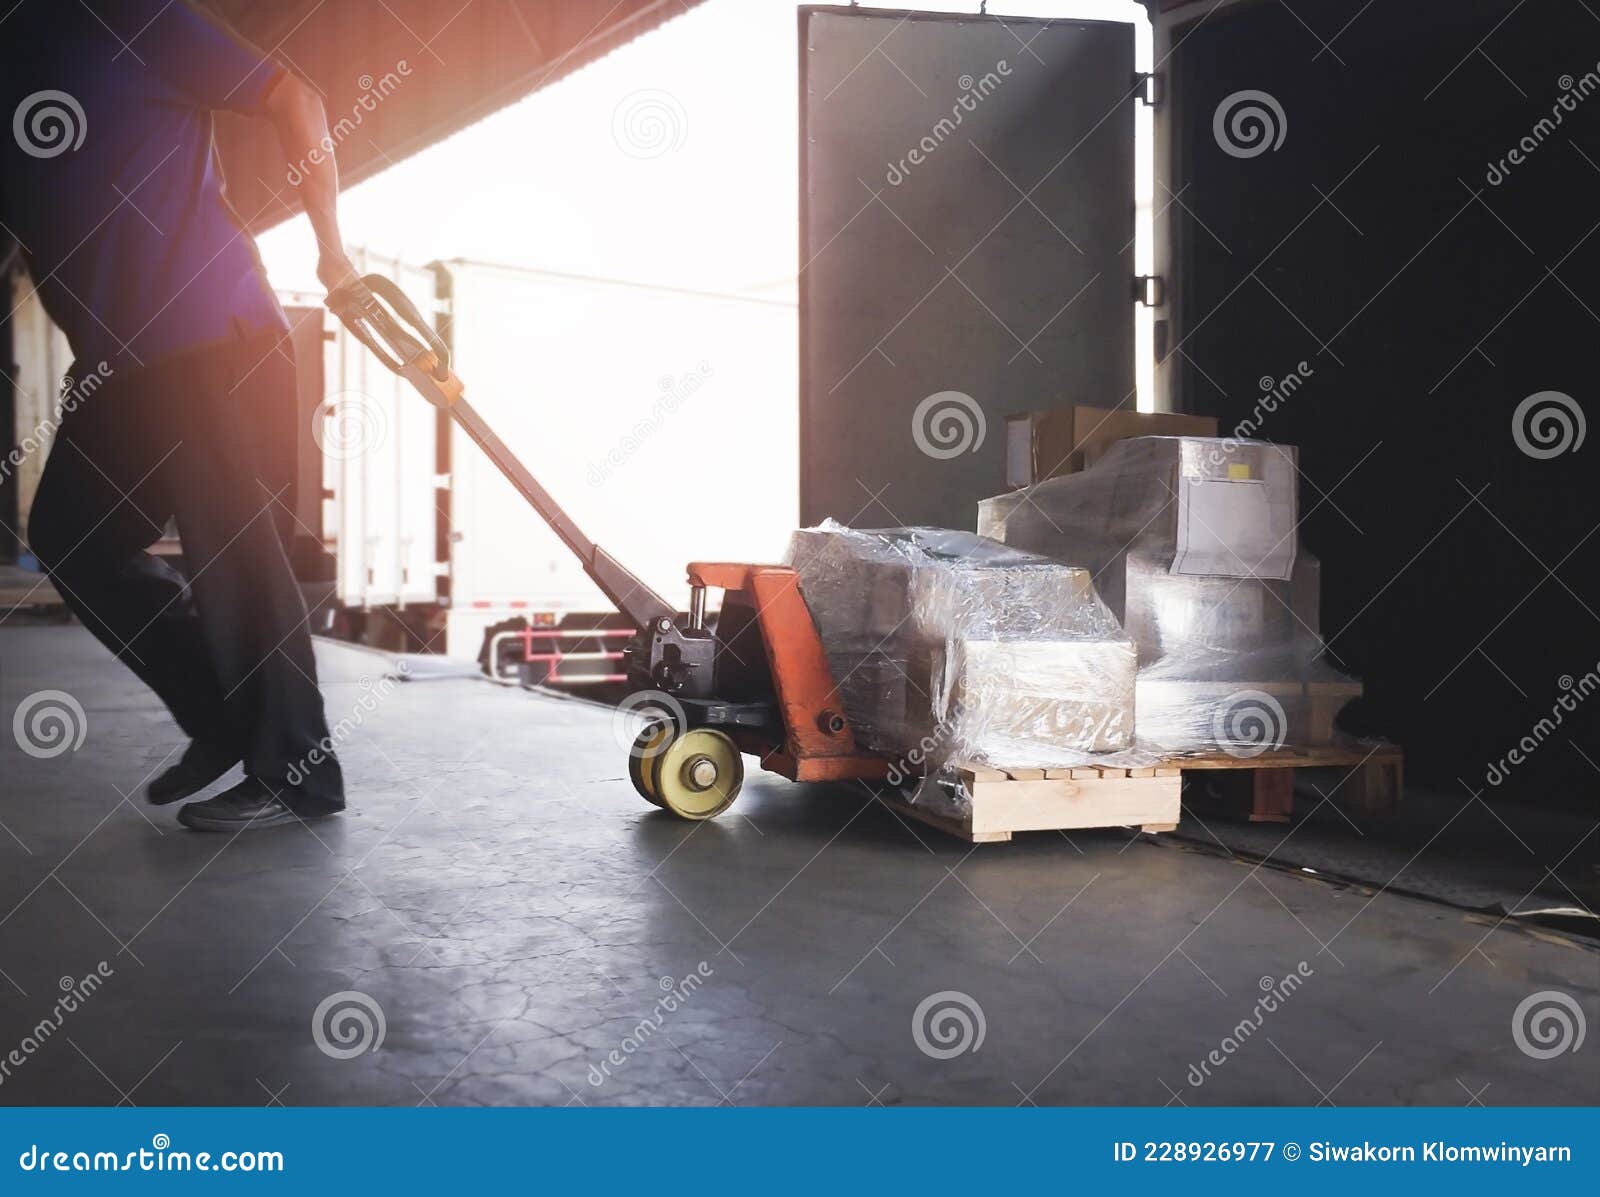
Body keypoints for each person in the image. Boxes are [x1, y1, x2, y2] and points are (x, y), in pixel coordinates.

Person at [1, 1, 360, 830]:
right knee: (72, 535)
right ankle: (225, 719)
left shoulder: (130, 15)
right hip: (120, 366)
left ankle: (299, 774)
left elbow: (292, 96)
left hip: (210, 333)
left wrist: (332, 250)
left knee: (233, 547)